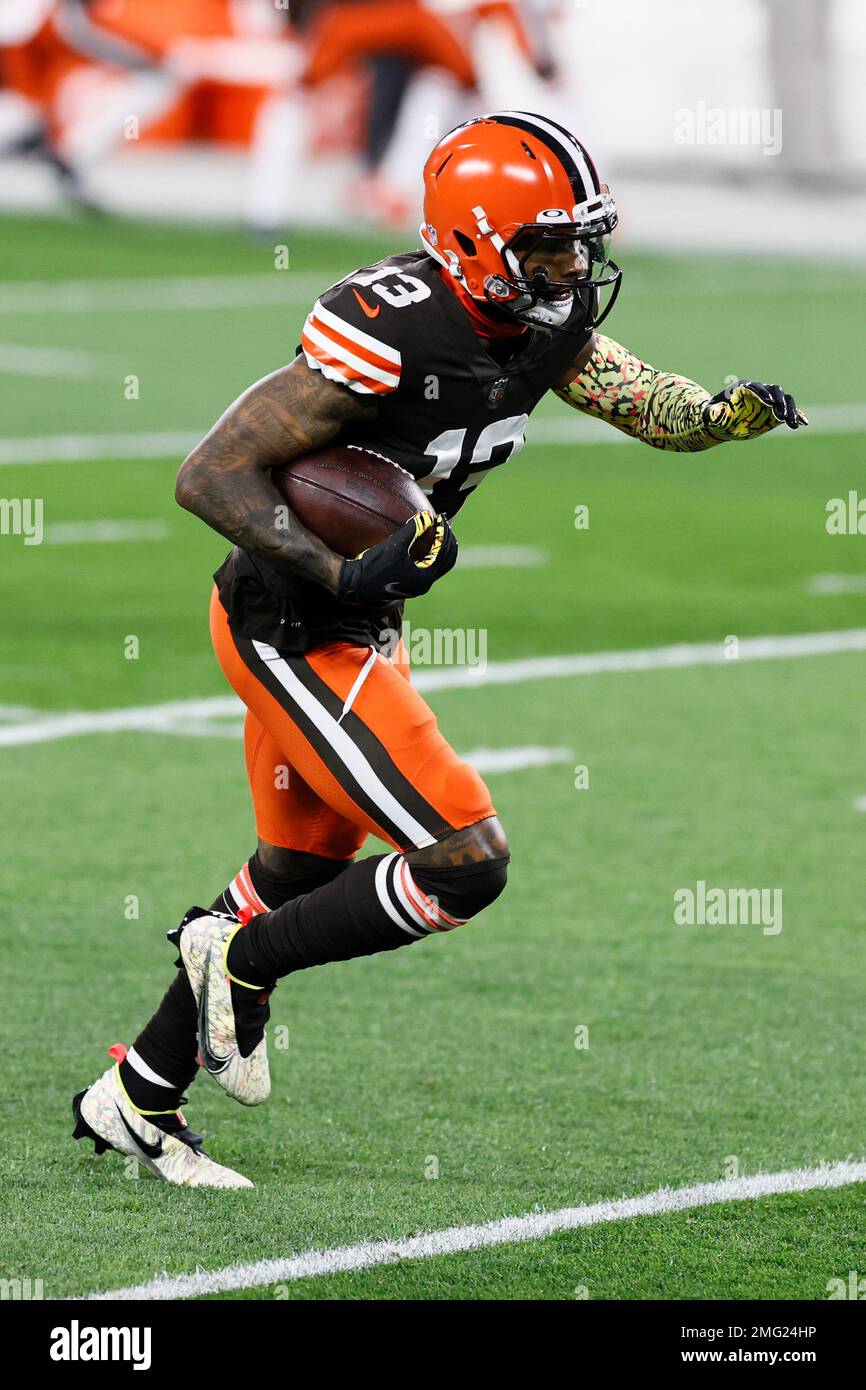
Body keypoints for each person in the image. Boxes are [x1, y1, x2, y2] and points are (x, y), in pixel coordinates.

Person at [73, 111, 806, 1186]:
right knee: (466, 860)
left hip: (359, 623)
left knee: (298, 869)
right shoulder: (393, 325)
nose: (571, 263)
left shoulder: (537, 318)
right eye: (547, 241)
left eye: (576, 238)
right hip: (290, 621)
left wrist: (712, 415)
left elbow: (631, 396)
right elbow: (210, 474)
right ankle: (234, 957)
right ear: (471, 239)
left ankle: (135, 1095)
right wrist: (336, 573)